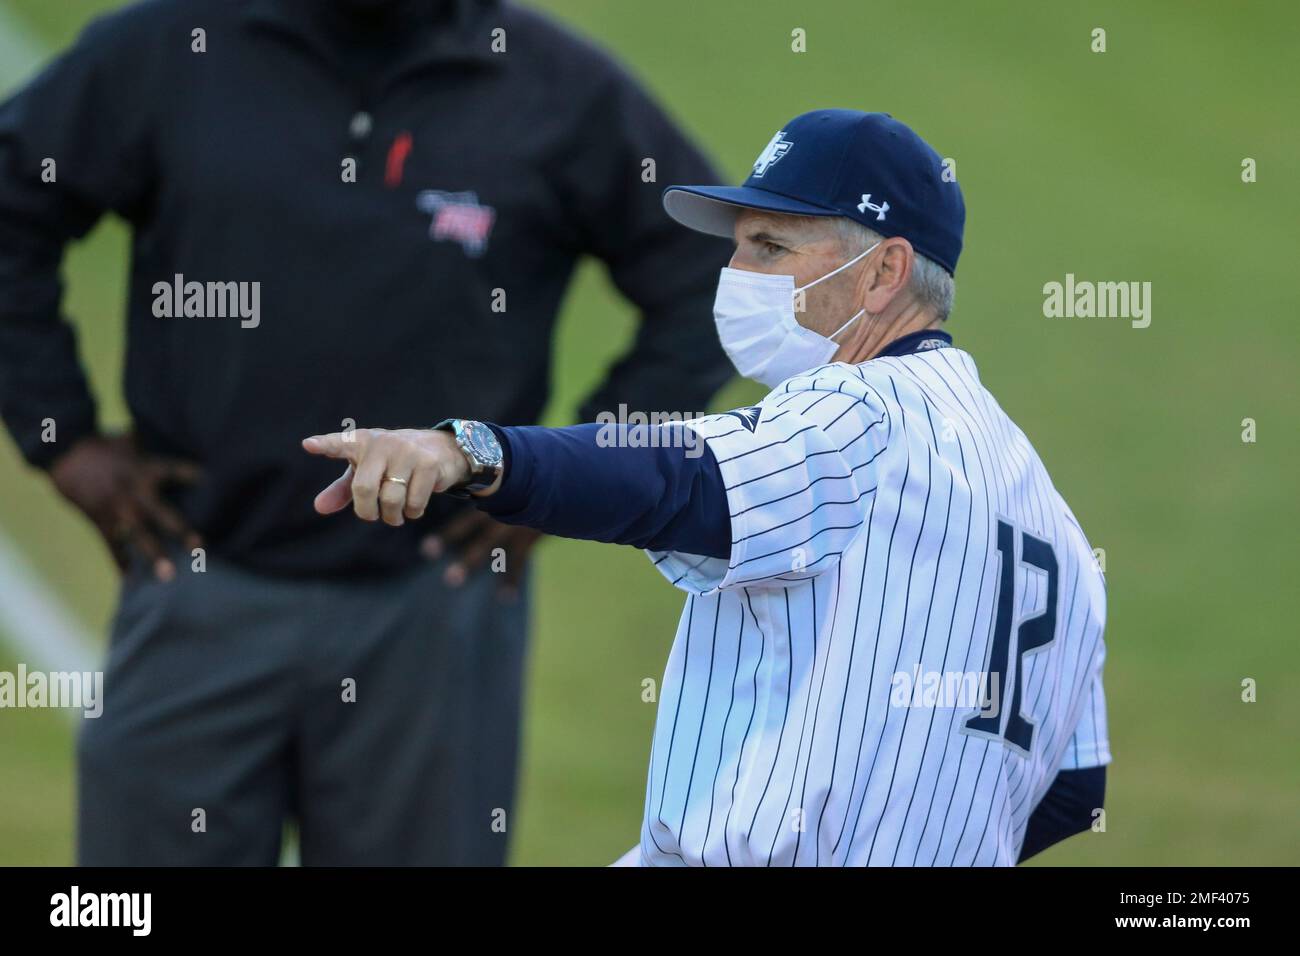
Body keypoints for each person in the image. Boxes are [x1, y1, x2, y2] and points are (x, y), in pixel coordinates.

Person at [0, 0, 731, 865]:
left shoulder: (556, 87)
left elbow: (709, 273)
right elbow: (12, 204)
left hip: (436, 616)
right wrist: (62, 438)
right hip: (197, 577)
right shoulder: (169, 46)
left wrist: (558, 480)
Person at [303, 109, 1111, 866]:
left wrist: (475, 453)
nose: (735, 272)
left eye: (769, 245)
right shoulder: (1051, 515)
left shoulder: (859, 413)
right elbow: (1074, 789)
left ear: (884, 272)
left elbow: (677, 477)